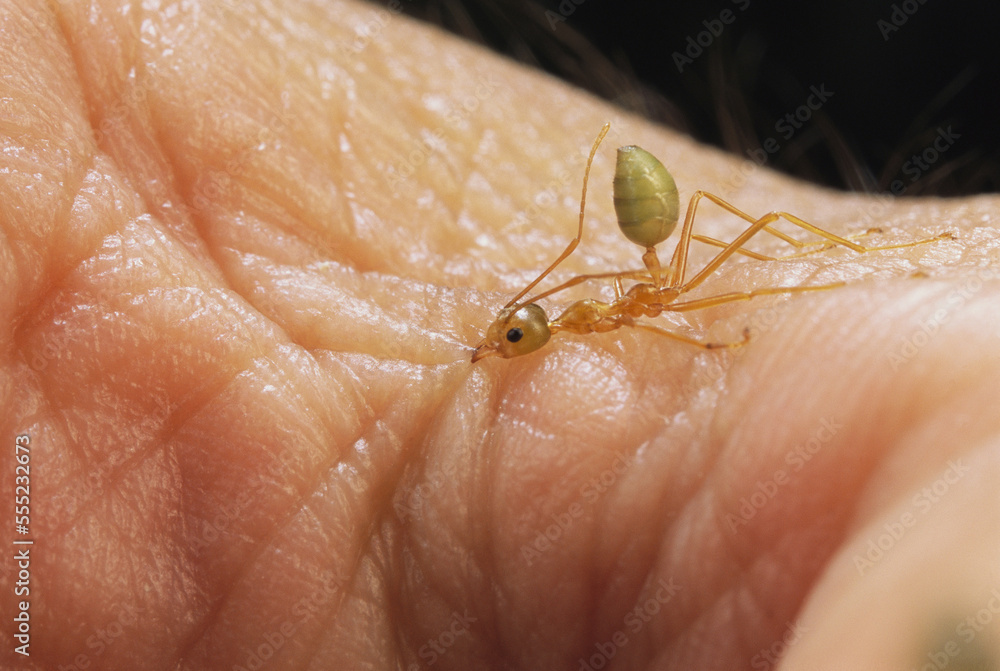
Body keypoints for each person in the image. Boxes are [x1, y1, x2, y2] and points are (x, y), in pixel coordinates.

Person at [2, 0, 998, 668]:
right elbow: (574, 281)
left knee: (767, 234)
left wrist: (885, 286)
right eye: (517, 338)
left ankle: (861, 257)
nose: (511, 347)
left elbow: (589, 281)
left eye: (516, 338)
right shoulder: (585, 311)